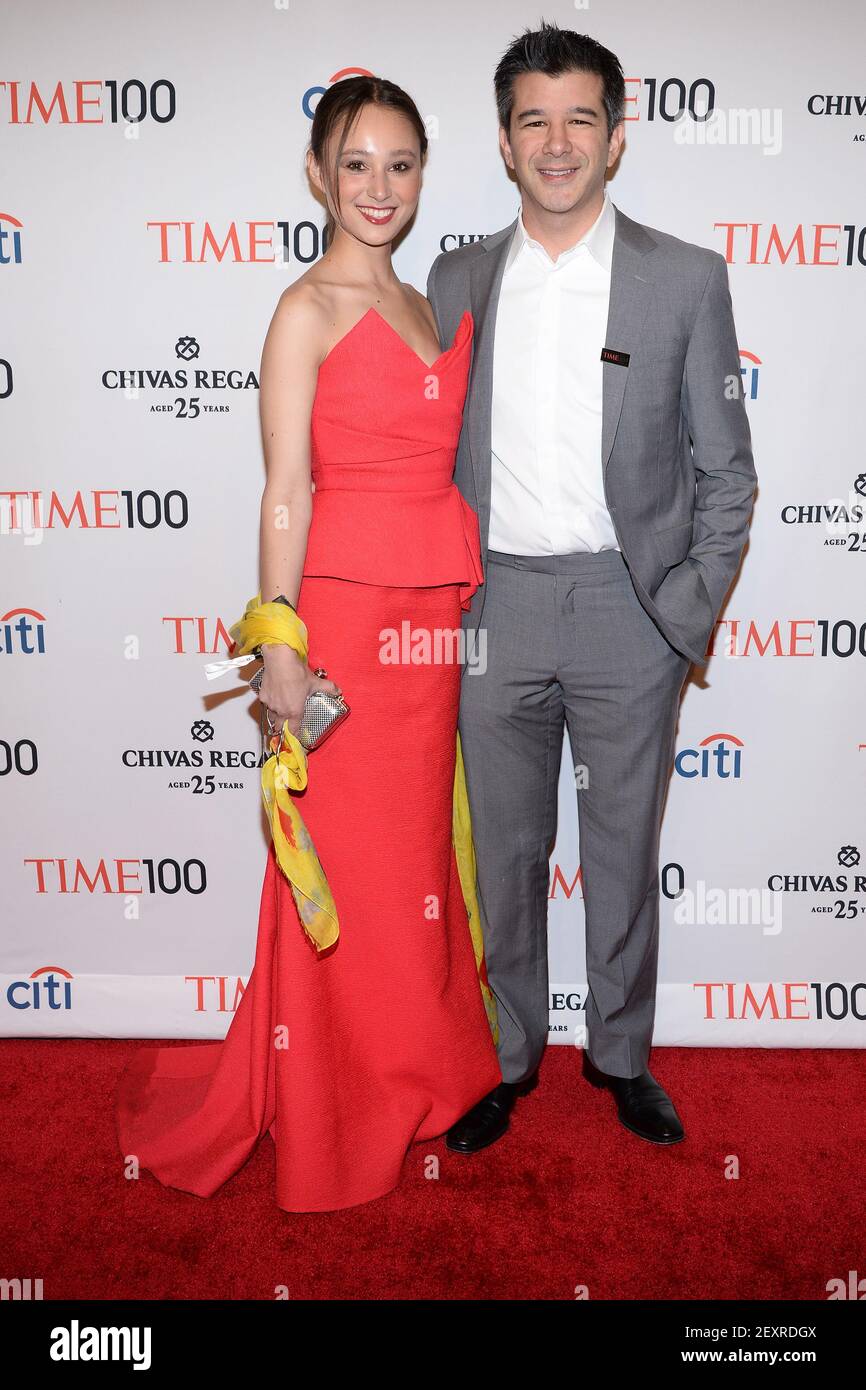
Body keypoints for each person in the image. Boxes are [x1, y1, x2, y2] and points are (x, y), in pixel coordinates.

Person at [115, 75, 501, 1213]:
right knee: (349, 863)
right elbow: (286, 487)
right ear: (316, 174)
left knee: (418, 861)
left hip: (432, 619)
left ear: (423, 174)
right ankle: (343, 1091)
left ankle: (429, 1068)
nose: (378, 186)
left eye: (399, 164)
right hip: (341, 618)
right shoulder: (306, 308)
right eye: (356, 164)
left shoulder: (430, 300)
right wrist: (278, 641)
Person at [426, 24, 757, 1154]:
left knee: (620, 849)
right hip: (496, 608)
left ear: (615, 138)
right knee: (506, 854)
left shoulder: (683, 277)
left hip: (631, 610)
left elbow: (727, 468)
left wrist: (683, 612)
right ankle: (504, 1058)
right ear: (506, 141)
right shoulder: (457, 277)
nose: (555, 142)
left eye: (579, 119)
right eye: (532, 120)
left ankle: (619, 1055)